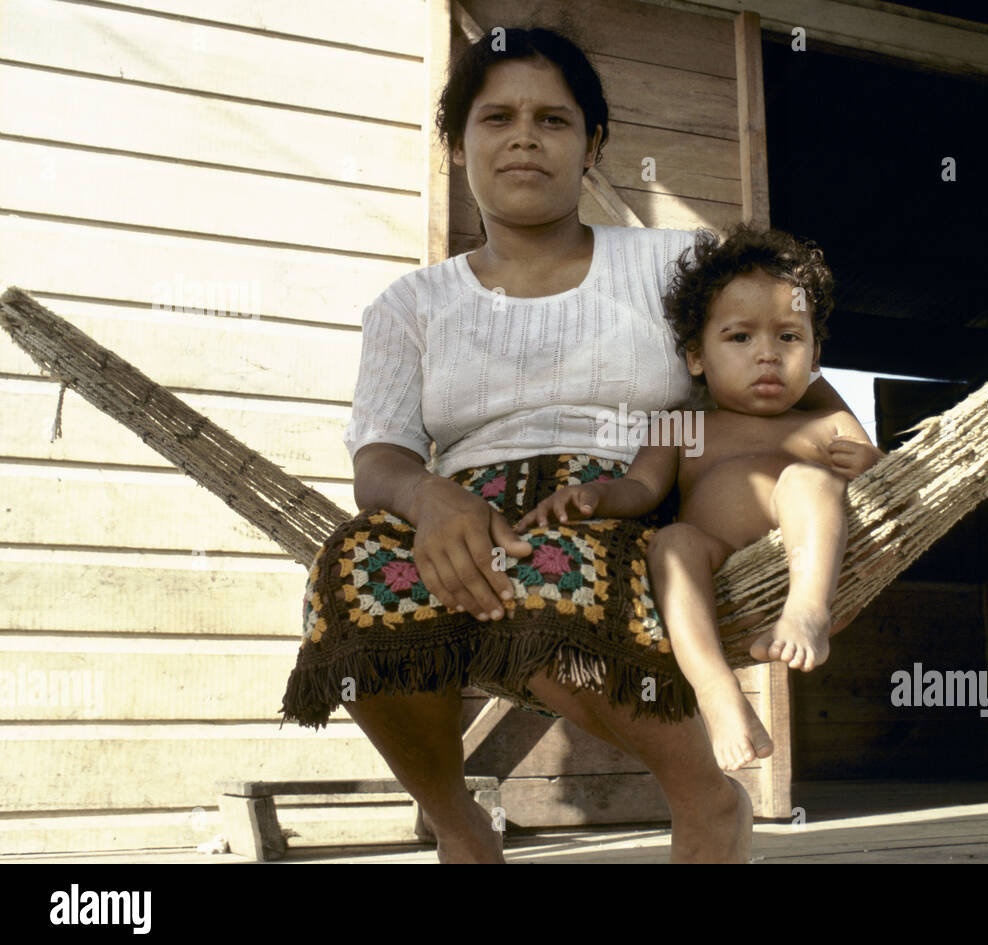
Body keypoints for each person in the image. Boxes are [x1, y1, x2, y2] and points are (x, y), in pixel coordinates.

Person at [279, 26, 860, 864]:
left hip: (624, 504)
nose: (524, 137)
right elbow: (379, 457)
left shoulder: (675, 263)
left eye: (553, 120)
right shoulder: (411, 304)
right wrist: (429, 497)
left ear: (592, 145)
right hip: (462, 511)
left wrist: (844, 440)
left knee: (541, 573)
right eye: (497, 118)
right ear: (458, 143)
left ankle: (701, 792)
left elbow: (781, 348)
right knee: (351, 574)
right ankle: (457, 822)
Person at [514, 225, 882, 772]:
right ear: (696, 357)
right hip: (716, 569)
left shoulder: (827, 422)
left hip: (805, 566)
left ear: (815, 355)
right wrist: (595, 494)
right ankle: (717, 691)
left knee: (808, 481)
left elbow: (891, 491)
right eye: (740, 338)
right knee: (672, 543)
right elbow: (641, 489)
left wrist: (870, 465)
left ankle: (807, 613)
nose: (767, 356)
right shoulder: (683, 425)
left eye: (789, 337)